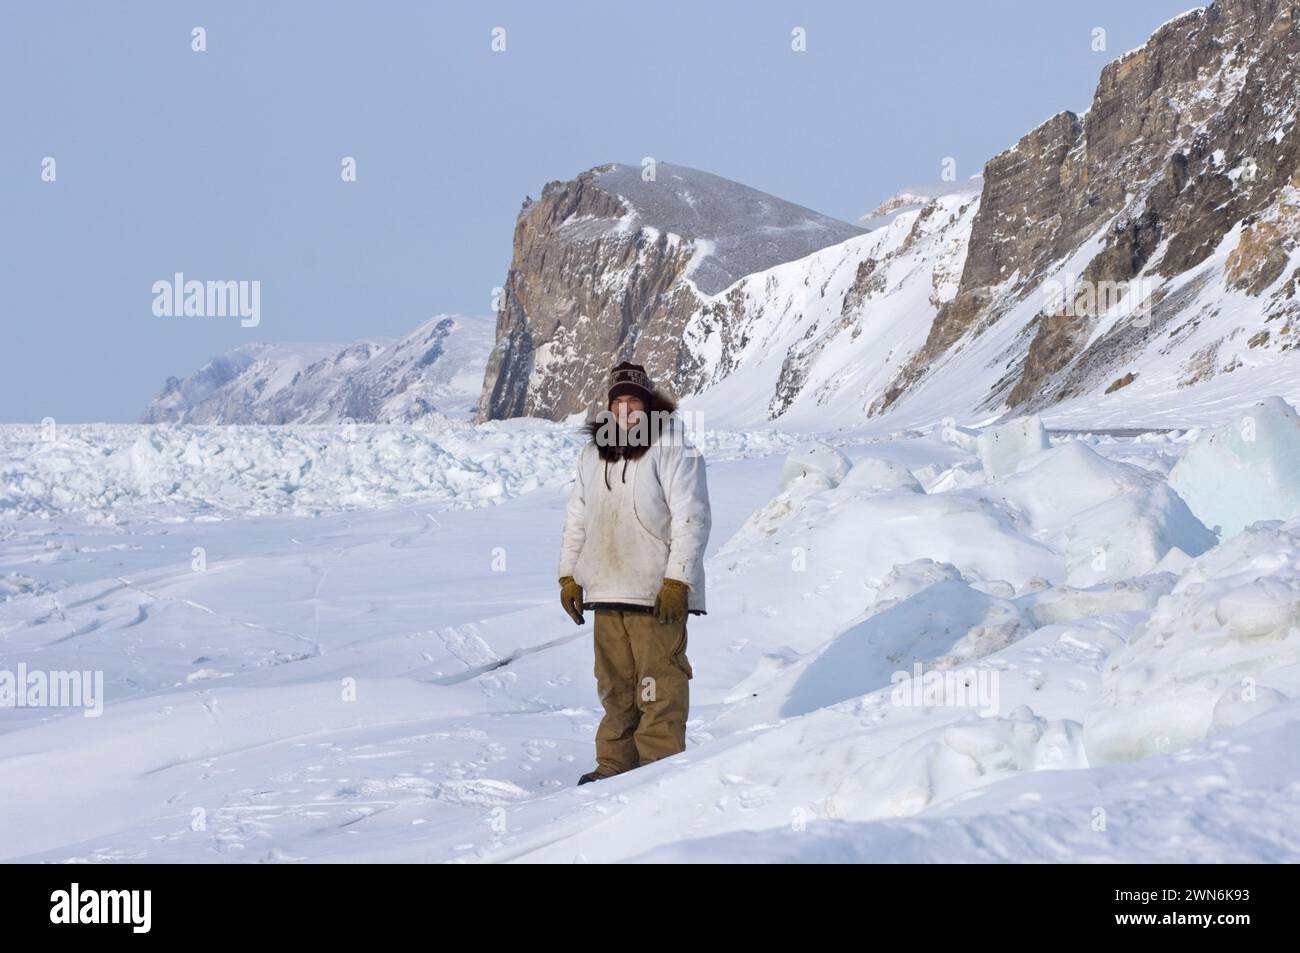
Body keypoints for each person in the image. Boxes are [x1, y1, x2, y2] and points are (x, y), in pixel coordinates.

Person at [557, 361, 711, 785]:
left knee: (658, 687)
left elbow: (691, 518)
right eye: (618, 401)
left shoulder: (674, 449)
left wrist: (678, 580)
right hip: (606, 590)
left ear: (648, 405)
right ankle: (614, 767)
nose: (626, 409)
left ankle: (658, 770)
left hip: (655, 594)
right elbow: (578, 518)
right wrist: (569, 576)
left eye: (634, 401)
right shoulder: (592, 455)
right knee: (615, 688)